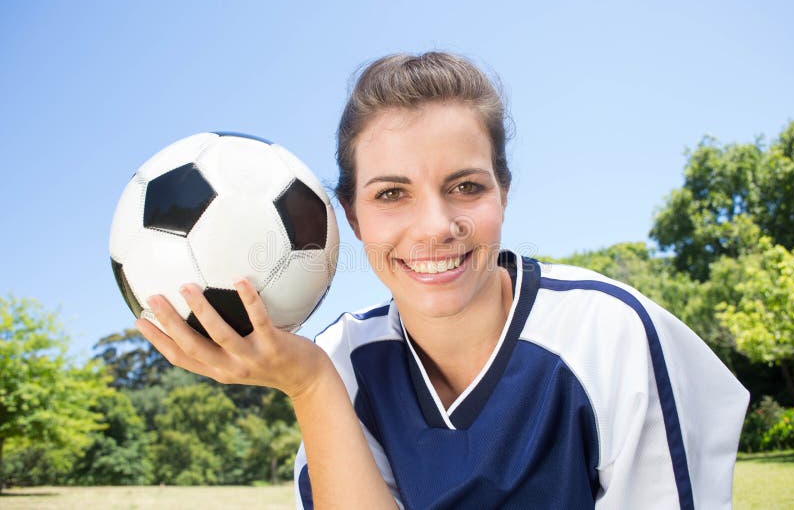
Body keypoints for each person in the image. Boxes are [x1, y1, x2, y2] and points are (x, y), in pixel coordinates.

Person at [136, 52, 749, 509]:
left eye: (466, 187)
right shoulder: (341, 362)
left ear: (503, 194)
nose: (435, 226)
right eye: (392, 194)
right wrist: (311, 386)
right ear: (349, 217)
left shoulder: (610, 335)